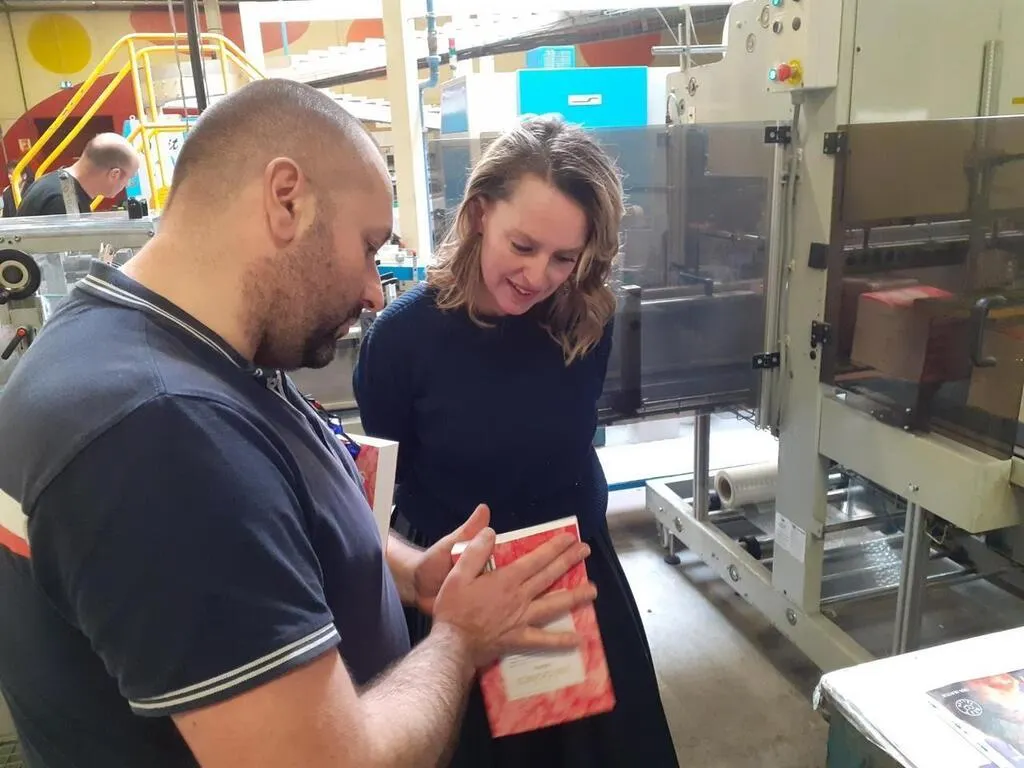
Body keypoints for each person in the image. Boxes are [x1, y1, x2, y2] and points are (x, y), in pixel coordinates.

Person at [0, 79, 597, 768]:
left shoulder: (194, 353)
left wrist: (411, 576)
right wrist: (460, 639)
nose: (375, 291)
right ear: (287, 200)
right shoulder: (157, 436)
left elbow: (288, 533)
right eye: (370, 247)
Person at [354, 116, 680, 767]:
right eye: (523, 245)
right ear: (479, 215)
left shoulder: (585, 317)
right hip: (462, 594)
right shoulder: (401, 338)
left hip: (573, 581)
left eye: (566, 257)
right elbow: (381, 497)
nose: (540, 276)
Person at [15, 132, 139, 216]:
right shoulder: (64, 202)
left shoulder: (54, 183)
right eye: (129, 178)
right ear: (114, 174)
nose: (127, 184)